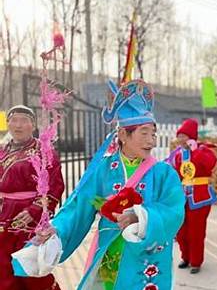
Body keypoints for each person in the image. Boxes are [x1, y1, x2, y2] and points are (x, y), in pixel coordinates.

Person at [13, 80, 185, 290]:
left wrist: (141, 217)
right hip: (110, 251)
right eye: (144, 133)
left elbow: (174, 210)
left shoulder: (163, 173)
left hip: (146, 257)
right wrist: (56, 231)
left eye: (153, 133)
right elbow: (78, 208)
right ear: (123, 135)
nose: (151, 141)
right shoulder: (104, 170)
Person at [0, 105, 64, 290]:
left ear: (33, 125)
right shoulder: (3, 150)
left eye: (24, 120)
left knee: (31, 268)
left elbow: (54, 185)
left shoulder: (43, 151)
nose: (18, 125)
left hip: (28, 218)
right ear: (8, 124)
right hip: (3, 216)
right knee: (3, 270)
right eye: (14, 120)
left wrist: (36, 209)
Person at [174, 118, 217, 274]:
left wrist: (196, 151)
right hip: (182, 198)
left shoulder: (203, 150)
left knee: (196, 231)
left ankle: (196, 261)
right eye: (179, 136)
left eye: (184, 135)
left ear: (192, 137)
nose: (180, 139)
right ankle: (185, 257)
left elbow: (210, 164)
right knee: (181, 231)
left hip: (200, 197)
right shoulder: (178, 155)